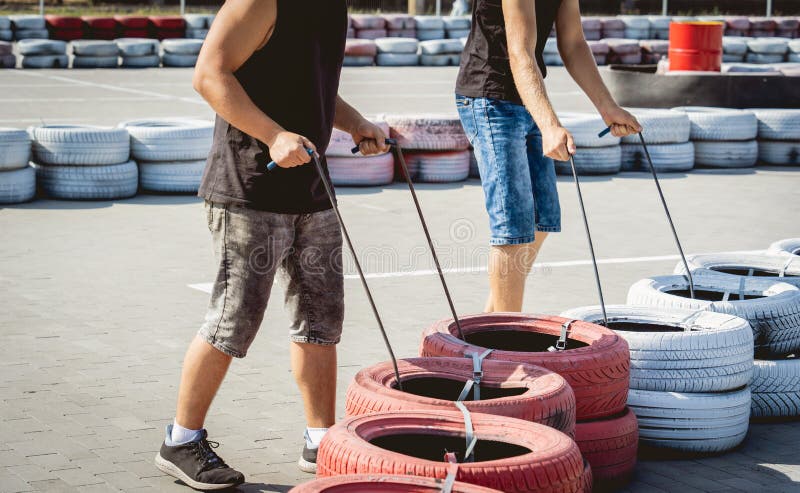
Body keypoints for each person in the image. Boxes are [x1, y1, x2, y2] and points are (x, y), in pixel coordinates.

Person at [153, 0, 390, 488]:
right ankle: (180, 440)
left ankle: (321, 440)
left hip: (312, 191)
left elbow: (312, 89)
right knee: (233, 320)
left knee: (322, 320)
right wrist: (273, 134)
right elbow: (209, 75)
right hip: (249, 190)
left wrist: (356, 122)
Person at [456, 0, 642, 312]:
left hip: (528, 94)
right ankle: (505, 342)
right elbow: (520, 52)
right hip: (489, 97)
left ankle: (491, 321)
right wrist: (550, 125)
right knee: (513, 227)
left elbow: (574, 43)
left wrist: (606, 106)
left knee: (542, 219)